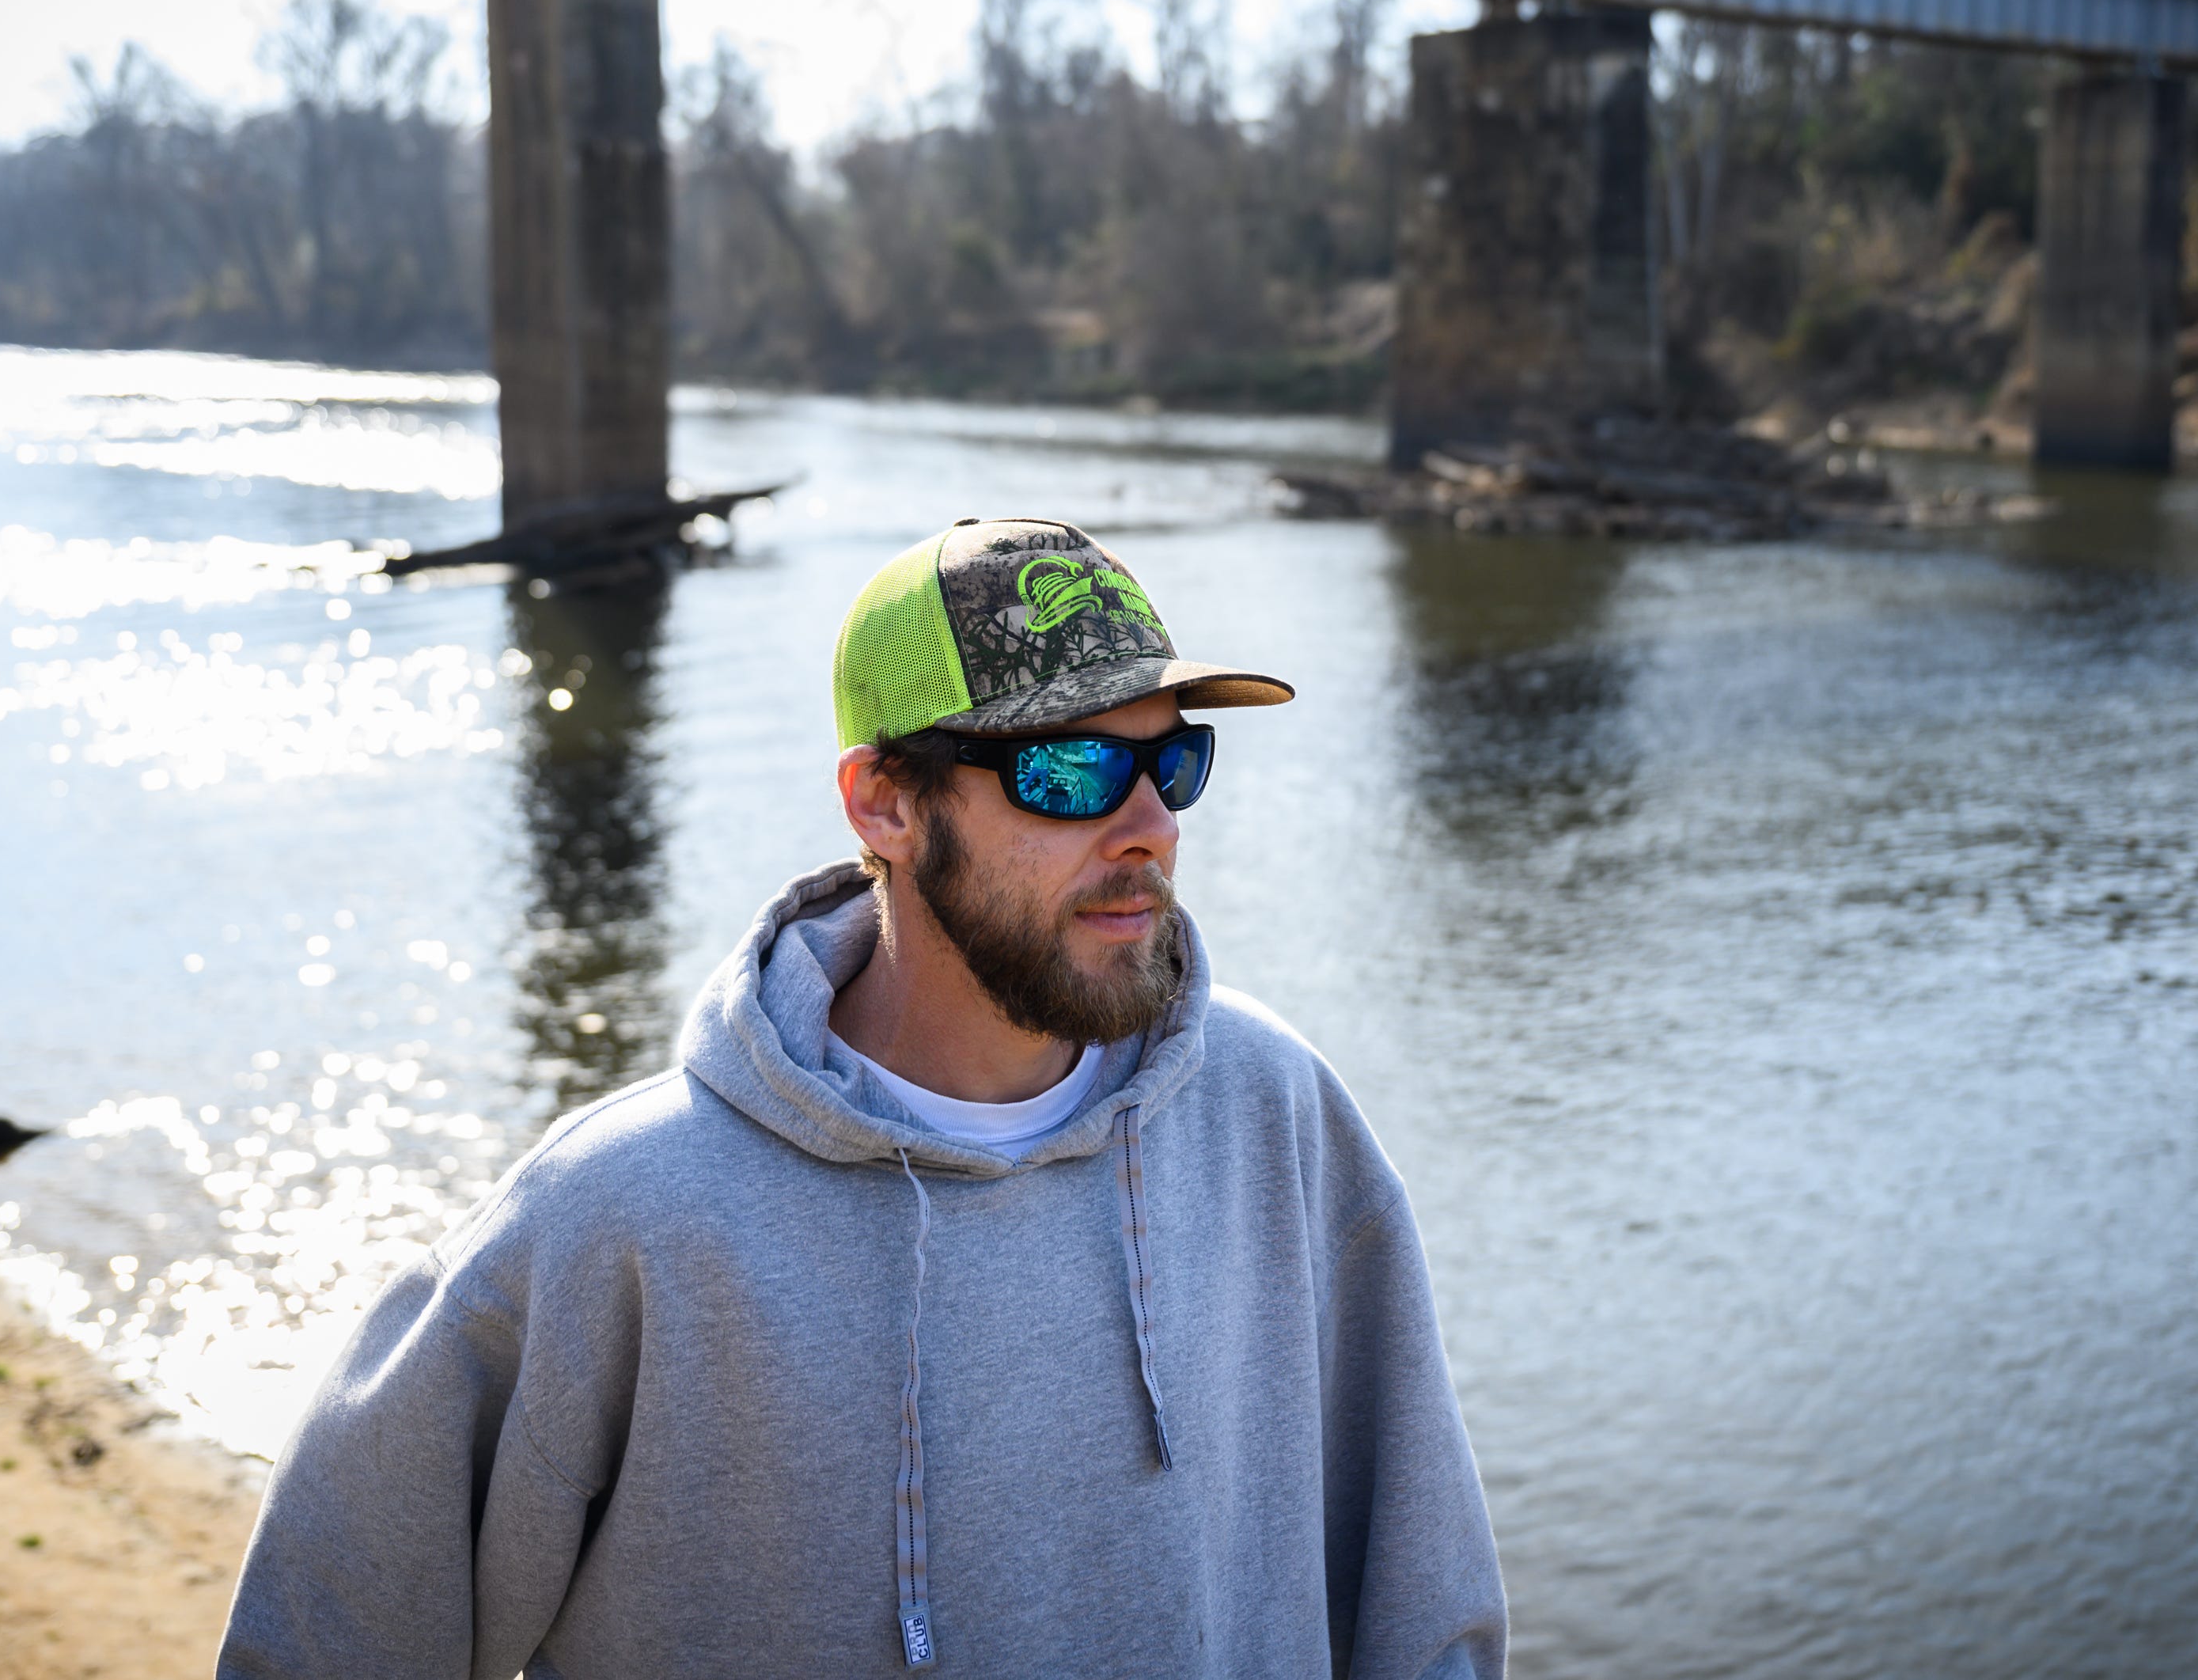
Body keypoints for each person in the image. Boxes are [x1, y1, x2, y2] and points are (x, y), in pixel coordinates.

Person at [219, 516, 1506, 1678]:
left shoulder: (1275, 1114)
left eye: (1174, 764)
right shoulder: (620, 1219)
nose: (1149, 828)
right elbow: (330, 1639)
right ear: (885, 803)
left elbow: (1421, 1606)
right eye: (1067, 772)